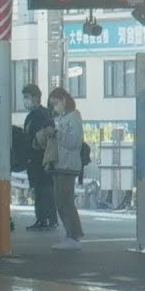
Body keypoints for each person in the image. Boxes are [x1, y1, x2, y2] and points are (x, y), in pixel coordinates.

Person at [41, 86, 85, 250]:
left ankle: (73, 236)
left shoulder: (73, 117)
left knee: (64, 201)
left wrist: (56, 134)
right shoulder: (65, 117)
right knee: (62, 201)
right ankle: (72, 234)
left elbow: (74, 142)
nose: (54, 107)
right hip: (61, 165)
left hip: (68, 165)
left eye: (56, 103)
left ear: (64, 100)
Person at [21, 83, 56, 231]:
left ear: (36, 98)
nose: (25, 100)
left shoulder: (44, 115)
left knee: (45, 189)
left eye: (27, 97)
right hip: (34, 160)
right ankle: (43, 218)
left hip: (43, 160)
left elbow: (47, 138)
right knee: (39, 189)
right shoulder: (31, 116)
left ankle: (47, 218)